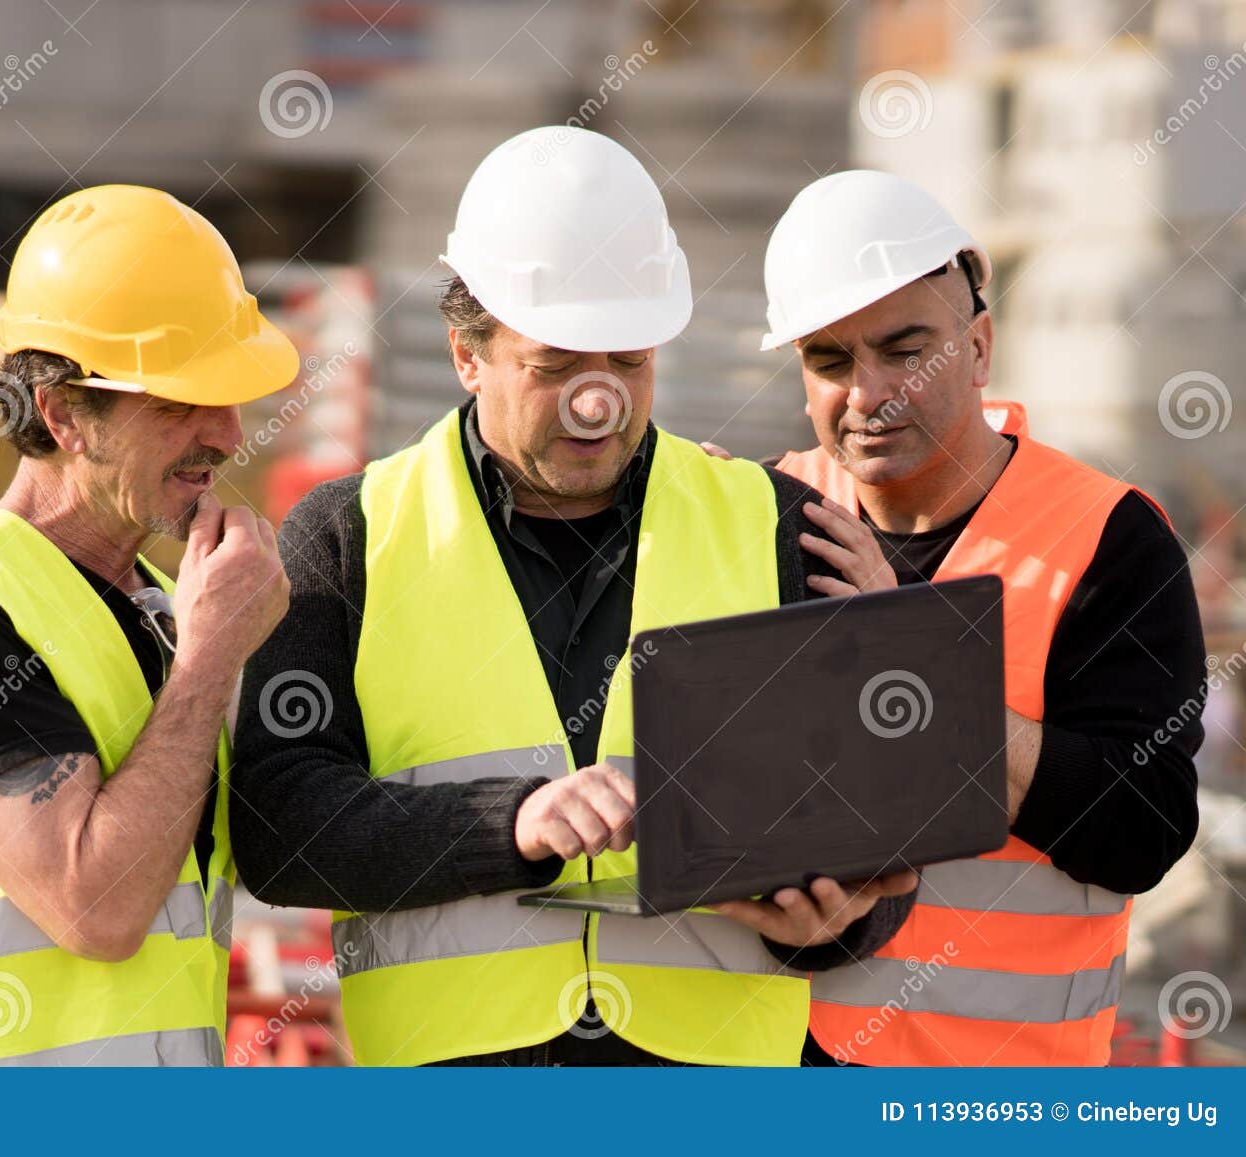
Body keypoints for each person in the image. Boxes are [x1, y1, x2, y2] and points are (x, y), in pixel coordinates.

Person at [230, 127, 916, 1068]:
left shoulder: (780, 528)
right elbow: (278, 826)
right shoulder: (348, 533)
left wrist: (834, 924)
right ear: (467, 353)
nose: (599, 403)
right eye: (556, 366)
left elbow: (886, 819)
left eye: (627, 363)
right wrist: (507, 823)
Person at [0, 185, 295, 1066]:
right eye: (179, 404)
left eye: (229, 400)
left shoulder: (161, 607)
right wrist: (215, 654)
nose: (226, 435)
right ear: (64, 411)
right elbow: (94, 907)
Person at [754, 169, 1205, 1065]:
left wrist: (913, 664)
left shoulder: (1104, 539)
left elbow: (1140, 830)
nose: (868, 392)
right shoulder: (768, 510)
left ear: (979, 345)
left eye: (906, 349)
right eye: (830, 361)